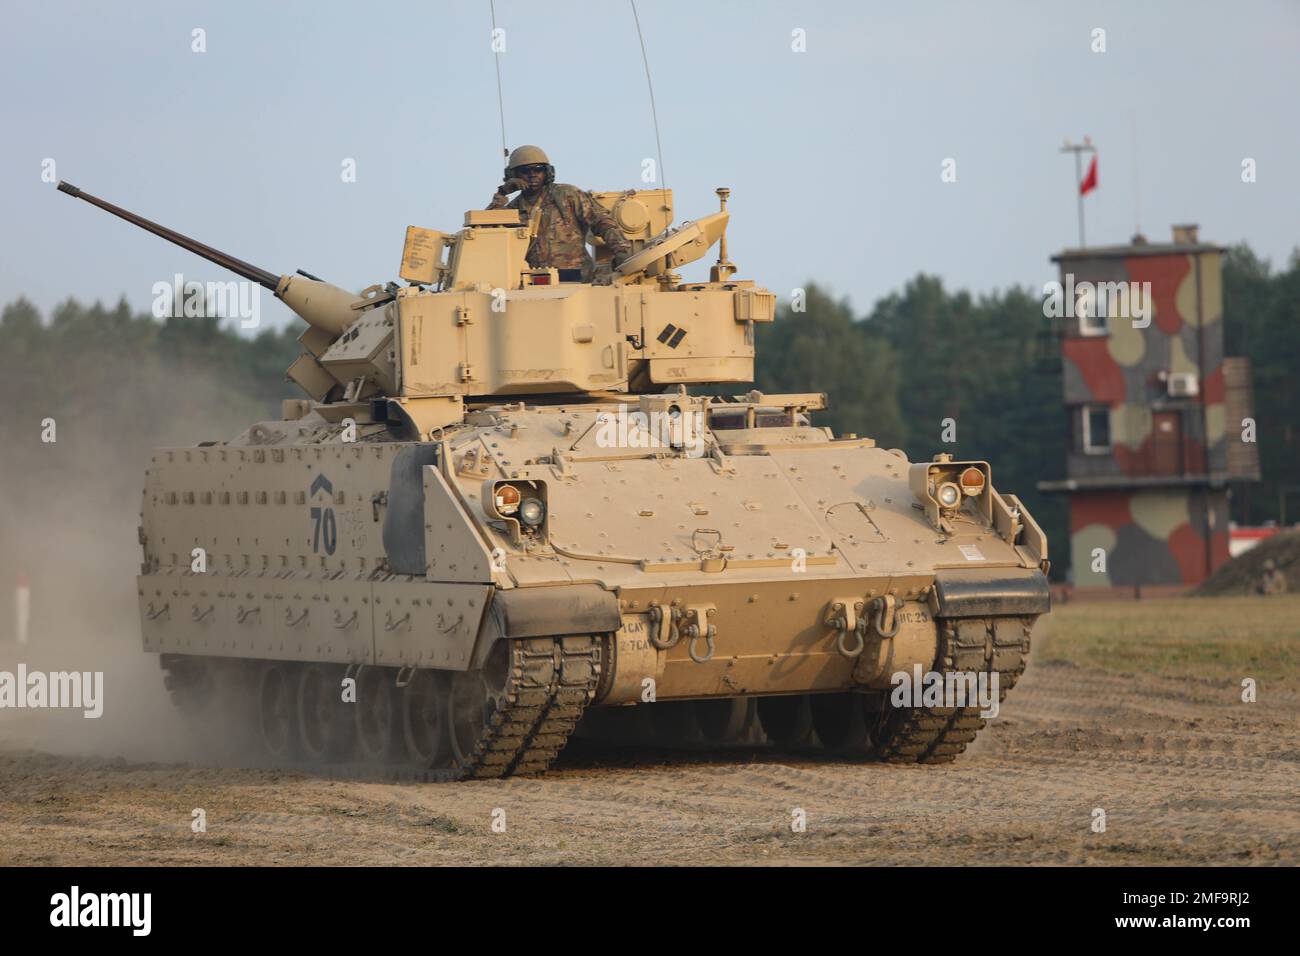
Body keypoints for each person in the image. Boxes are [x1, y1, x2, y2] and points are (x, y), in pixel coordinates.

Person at [488, 145, 632, 281]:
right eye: (525, 171)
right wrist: (502, 193)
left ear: (547, 172)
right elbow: (485, 233)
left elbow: (601, 220)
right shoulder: (512, 210)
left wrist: (620, 249)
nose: (532, 175)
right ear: (513, 175)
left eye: (538, 170)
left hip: (577, 277)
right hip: (535, 281)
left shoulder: (567, 195)